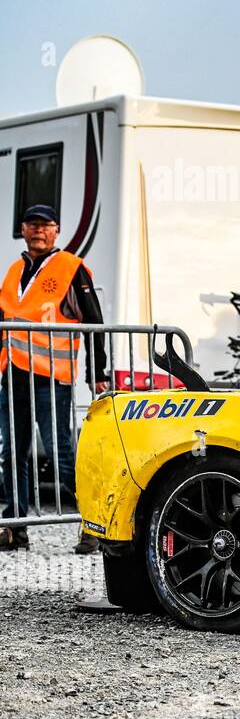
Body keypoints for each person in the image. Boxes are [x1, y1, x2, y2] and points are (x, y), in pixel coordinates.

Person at [0, 204, 109, 552]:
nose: (39, 231)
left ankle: (94, 525)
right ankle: (15, 527)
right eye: (33, 225)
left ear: (56, 231)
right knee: (13, 455)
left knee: (62, 456)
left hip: (50, 381)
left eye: (46, 225)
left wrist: (98, 372)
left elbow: (94, 322)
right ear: (23, 229)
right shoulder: (14, 270)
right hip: (12, 378)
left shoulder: (71, 269)